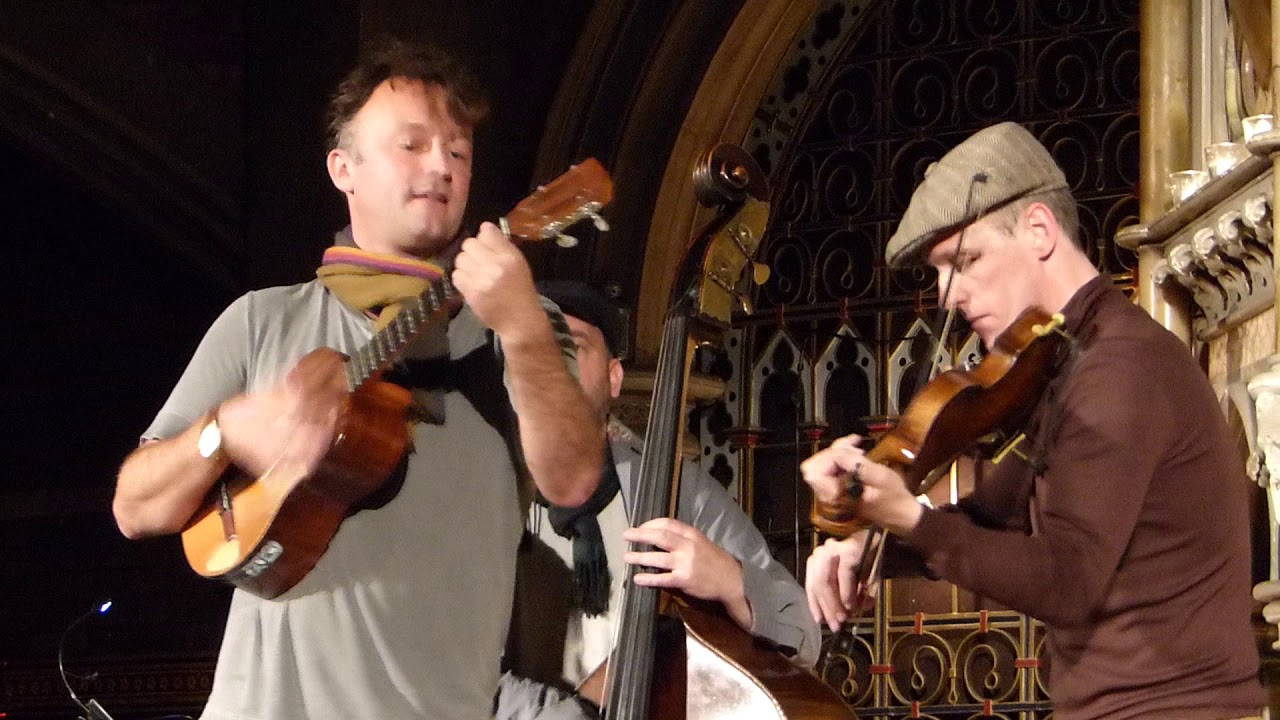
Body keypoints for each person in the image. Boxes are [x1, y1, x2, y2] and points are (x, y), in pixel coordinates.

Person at [112, 38, 603, 720]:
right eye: (413, 144)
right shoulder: (263, 323)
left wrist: (519, 326)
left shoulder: (521, 320)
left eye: (458, 152)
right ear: (344, 168)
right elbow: (135, 507)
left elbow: (575, 479)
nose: (441, 165)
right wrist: (225, 431)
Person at [801, 122, 1263, 719]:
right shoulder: (1064, 360)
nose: (947, 295)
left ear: (1040, 231)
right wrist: (869, 544)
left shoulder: (1122, 366)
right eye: (940, 270)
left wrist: (909, 519)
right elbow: (996, 512)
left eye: (964, 260)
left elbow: (1068, 579)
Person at [495, 281, 820, 719]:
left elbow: (802, 633)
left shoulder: (680, 491)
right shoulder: (485, 495)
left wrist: (730, 579)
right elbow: (452, 672)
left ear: (614, 379)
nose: (557, 366)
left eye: (573, 347)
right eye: (541, 352)